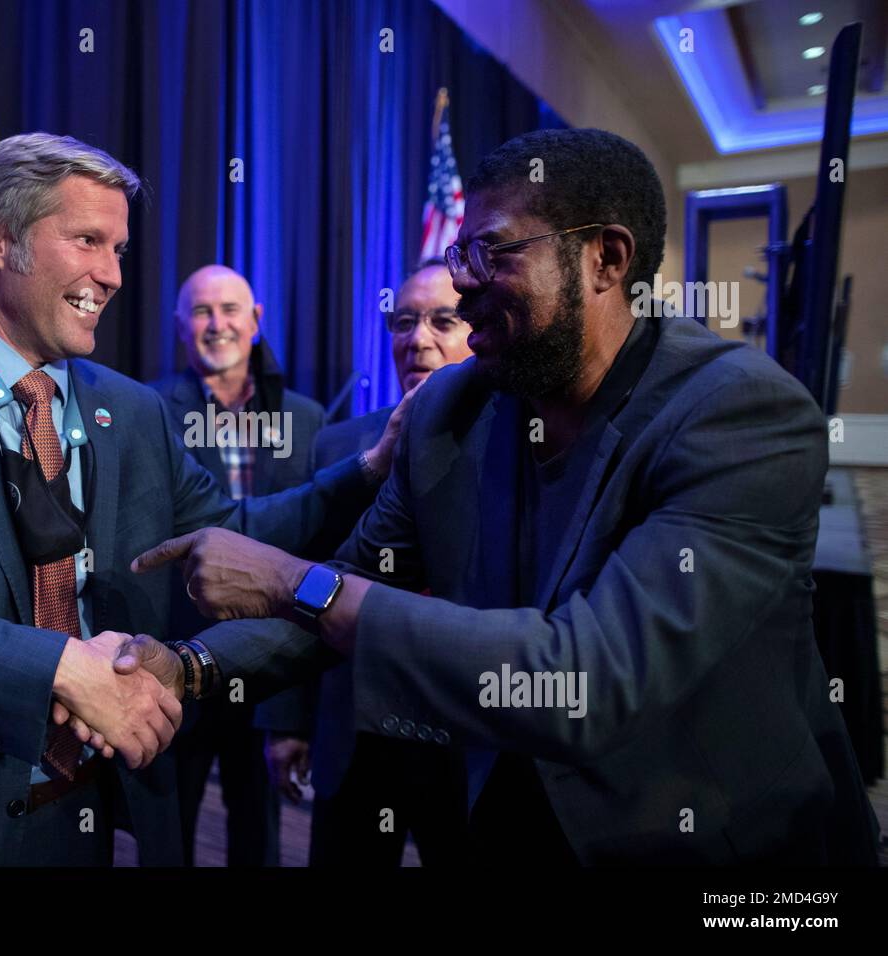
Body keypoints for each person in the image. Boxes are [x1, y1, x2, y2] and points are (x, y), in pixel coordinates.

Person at [129, 128, 882, 865]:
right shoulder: (453, 410)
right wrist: (182, 665)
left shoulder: (740, 412)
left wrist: (293, 579)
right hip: (510, 826)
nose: (462, 280)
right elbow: (356, 580)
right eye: (462, 253)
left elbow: (584, 678)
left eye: (492, 251)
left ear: (605, 259)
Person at [0, 132, 401, 866]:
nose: (112, 274)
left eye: (119, 250)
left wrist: (367, 469)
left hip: (81, 828)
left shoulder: (132, 412)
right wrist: (58, 667)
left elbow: (232, 536)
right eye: (88, 241)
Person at [265, 258, 473, 866]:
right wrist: (288, 721)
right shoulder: (338, 445)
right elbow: (303, 583)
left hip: (469, 733)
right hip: (355, 733)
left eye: (443, 320)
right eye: (404, 322)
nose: (418, 339)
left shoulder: (522, 438)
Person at [152, 264, 324, 866]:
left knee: (262, 841)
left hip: (272, 668)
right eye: (201, 311)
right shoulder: (146, 412)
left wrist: (297, 711)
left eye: (230, 310)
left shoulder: (308, 420)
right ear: (180, 326)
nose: (216, 324)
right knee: (168, 836)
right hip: (174, 662)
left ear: (255, 323)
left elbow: (319, 545)